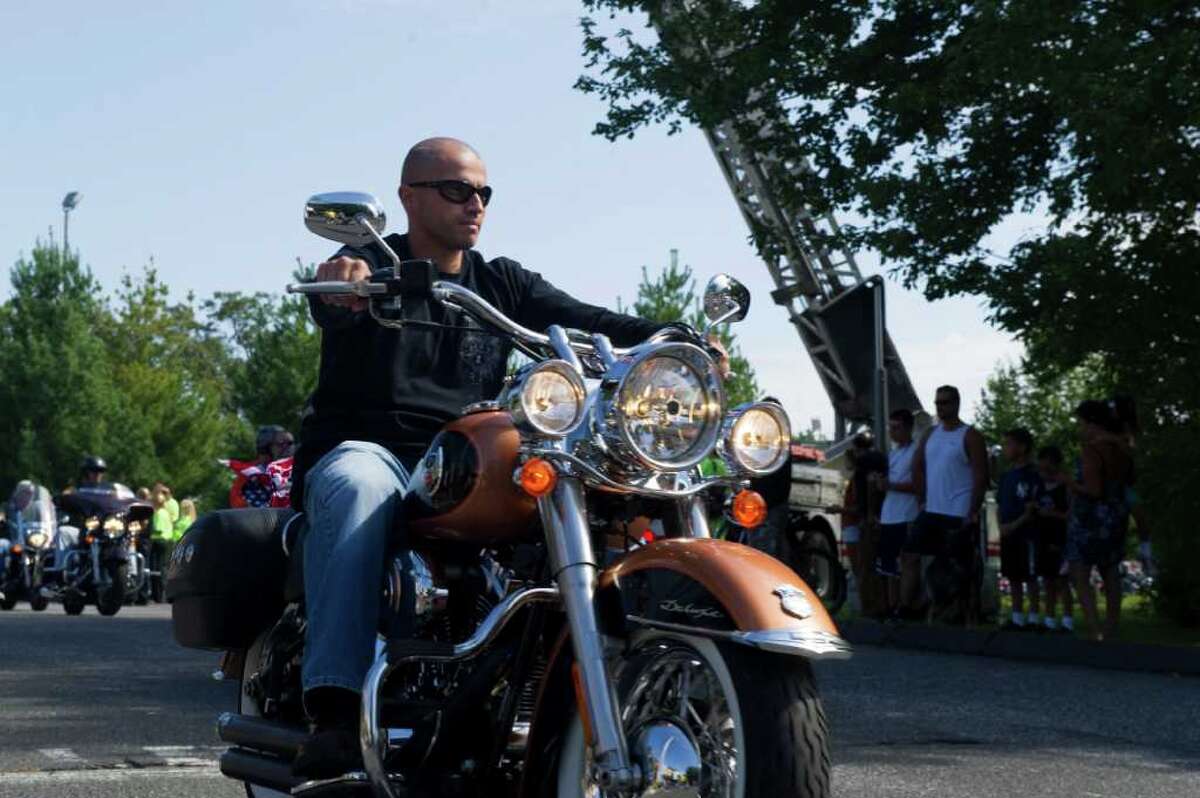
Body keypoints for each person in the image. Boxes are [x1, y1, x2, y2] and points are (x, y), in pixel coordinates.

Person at [289, 137, 673, 777]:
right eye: (456, 189)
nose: (475, 203)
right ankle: (333, 710)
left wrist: (673, 338)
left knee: (588, 491)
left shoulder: (502, 283)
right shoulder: (369, 263)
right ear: (409, 196)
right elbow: (336, 290)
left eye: (484, 192)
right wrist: (342, 282)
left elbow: (590, 320)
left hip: (468, 459)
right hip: (376, 451)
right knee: (357, 484)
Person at [901, 385, 989, 623]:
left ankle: (960, 613)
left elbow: (981, 476)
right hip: (932, 510)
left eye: (945, 402)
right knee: (910, 555)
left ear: (956, 403)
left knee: (957, 567)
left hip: (958, 512)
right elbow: (917, 466)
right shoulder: (931, 434)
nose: (941, 407)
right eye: (938, 403)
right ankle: (908, 608)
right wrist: (921, 498)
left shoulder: (970, 435)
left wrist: (972, 510)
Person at [1066, 400, 1134, 641]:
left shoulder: (1092, 449)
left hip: (1091, 518)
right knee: (1110, 570)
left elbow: (1094, 490)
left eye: (1081, 422)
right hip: (1116, 514)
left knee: (1080, 572)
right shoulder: (1121, 448)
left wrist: (1071, 483)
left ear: (1091, 423)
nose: (1080, 428)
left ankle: (1095, 629)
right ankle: (1112, 627)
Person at [875, 409, 920, 617]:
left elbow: (920, 485)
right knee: (888, 566)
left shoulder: (916, 452)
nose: (892, 432)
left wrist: (891, 485)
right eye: (890, 428)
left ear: (908, 427)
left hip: (908, 514)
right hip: (888, 515)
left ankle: (905, 606)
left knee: (908, 561)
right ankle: (890, 606)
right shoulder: (892, 454)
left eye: (897, 427)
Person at [996, 428, 1042, 630]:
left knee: (1030, 575)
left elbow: (1033, 508)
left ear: (1022, 447)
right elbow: (999, 504)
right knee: (1013, 574)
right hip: (1007, 533)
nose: (1005, 449)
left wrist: (1014, 525)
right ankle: (1016, 616)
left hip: (1026, 533)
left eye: (1009, 444)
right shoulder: (1007, 476)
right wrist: (1001, 526)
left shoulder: (1033, 475)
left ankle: (1033, 617)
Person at [1034, 445, 1074, 632]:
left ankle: (1067, 620)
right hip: (1042, 536)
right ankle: (1049, 619)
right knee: (1047, 580)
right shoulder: (1039, 485)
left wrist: (1051, 514)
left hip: (1060, 537)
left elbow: (1071, 515)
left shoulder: (1066, 485)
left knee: (1062, 580)